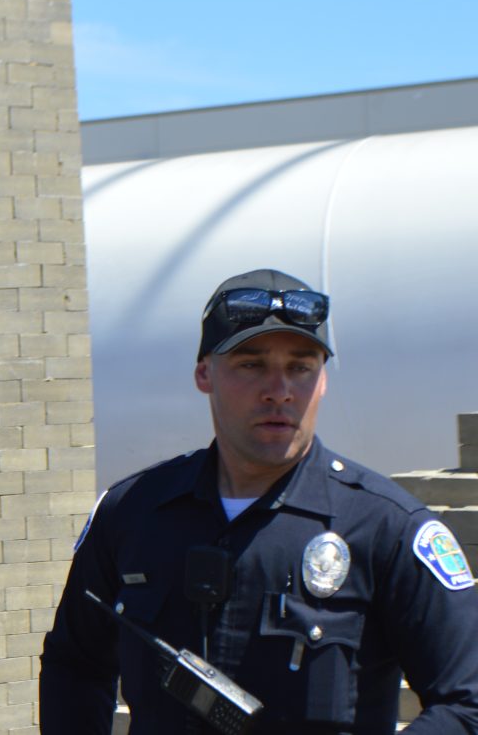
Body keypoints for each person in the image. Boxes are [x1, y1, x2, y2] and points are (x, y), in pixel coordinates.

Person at [40, 268, 478, 732]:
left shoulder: (385, 527)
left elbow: (466, 704)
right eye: (251, 365)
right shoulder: (131, 513)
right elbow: (76, 664)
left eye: (301, 367)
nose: (280, 391)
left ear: (323, 380)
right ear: (204, 373)